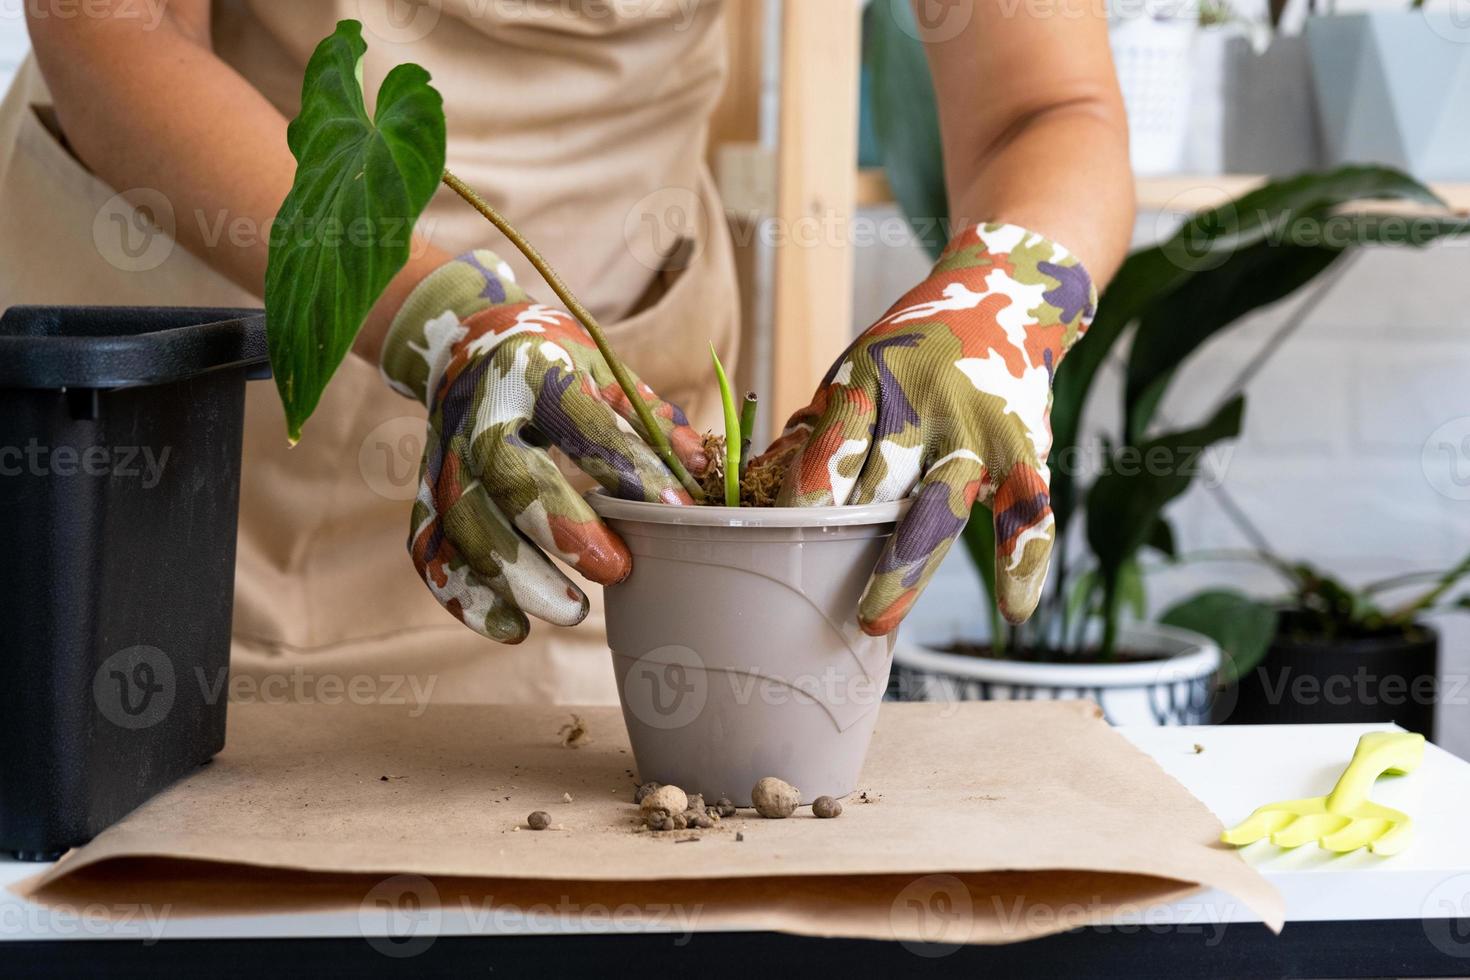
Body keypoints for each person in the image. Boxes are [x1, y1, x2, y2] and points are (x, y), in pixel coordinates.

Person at [3, 0, 1133, 705]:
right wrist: (441, 319)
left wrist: (993, 314)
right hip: (204, 362)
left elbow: (1049, 105)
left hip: (590, 452)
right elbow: (113, 22)